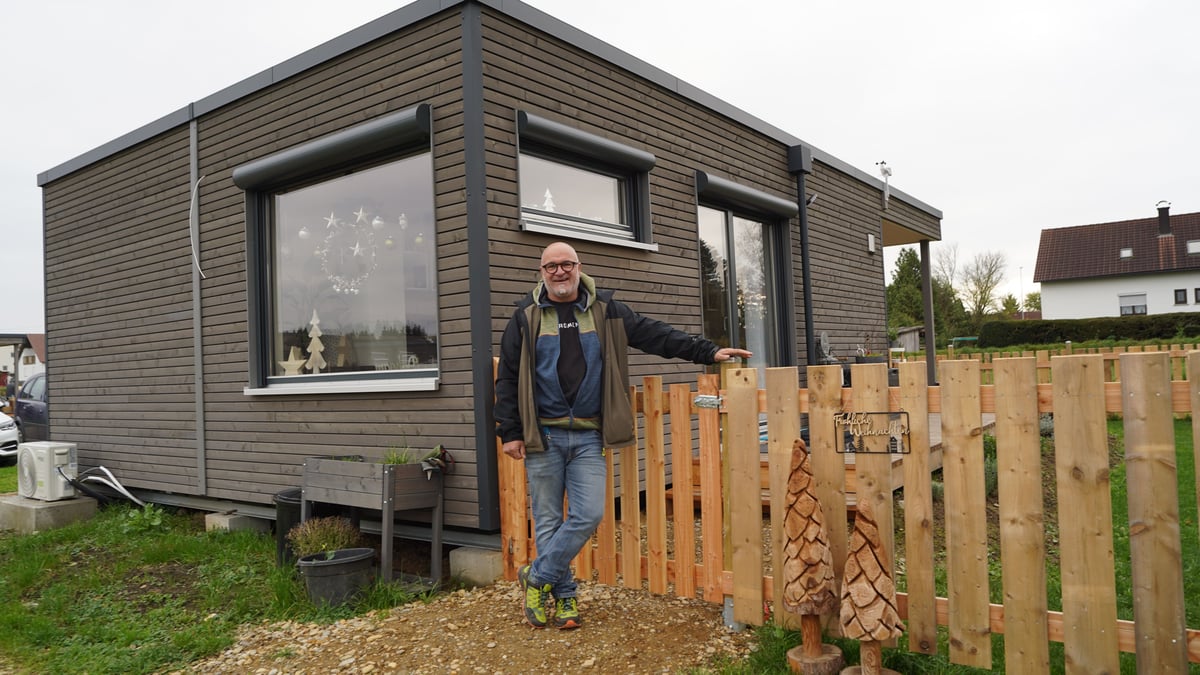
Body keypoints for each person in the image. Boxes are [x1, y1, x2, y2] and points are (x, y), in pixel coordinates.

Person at [494, 241, 752, 629]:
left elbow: (656, 335)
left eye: (567, 264)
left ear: (579, 267)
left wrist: (707, 351)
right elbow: (508, 377)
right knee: (547, 522)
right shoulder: (525, 316)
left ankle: (537, 576)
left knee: (588, 514)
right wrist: (510, 431)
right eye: (551, 266)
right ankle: (565, 601)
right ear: (541, 271)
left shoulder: (606, 310)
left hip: (588, 436)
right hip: (542, 437)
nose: (560, 272)